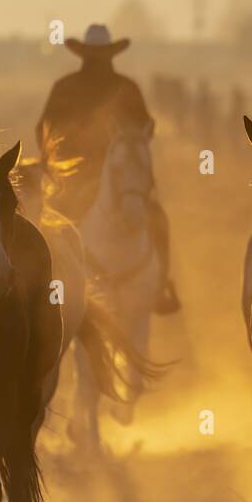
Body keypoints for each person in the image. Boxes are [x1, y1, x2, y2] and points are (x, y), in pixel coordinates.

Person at [36, 24, 180, 313]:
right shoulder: (122, 87)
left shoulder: (74, 87)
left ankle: (160, 284)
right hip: (80, 175)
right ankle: (44, 287)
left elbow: (44, 129)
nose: (98, 61)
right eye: (95, 55)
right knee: (50, 227)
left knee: (156, 217)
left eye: (99, 55)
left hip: (102, 173)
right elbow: (45, 130)